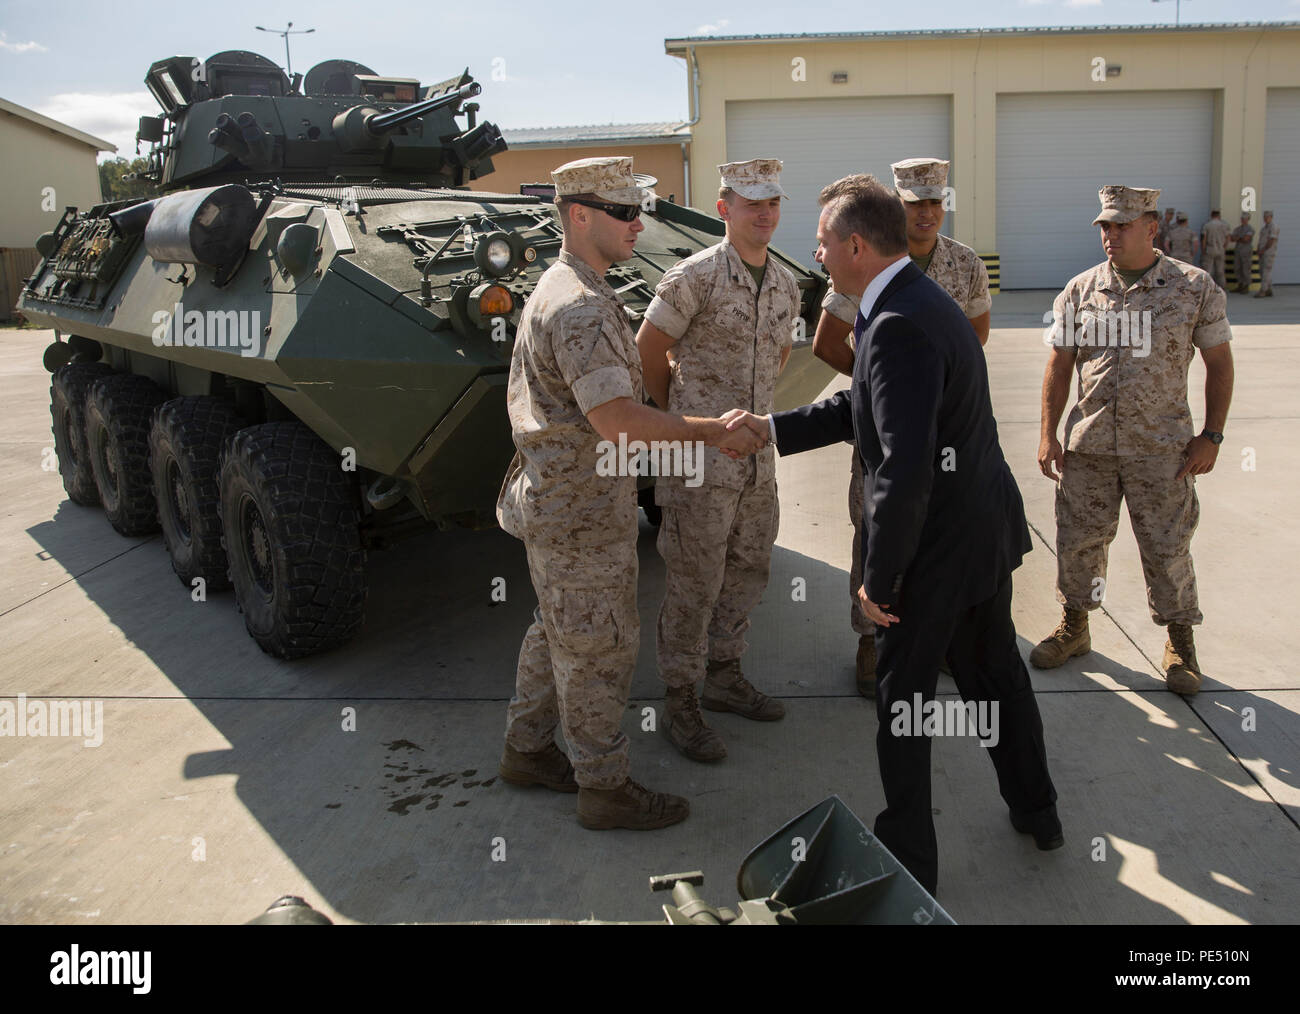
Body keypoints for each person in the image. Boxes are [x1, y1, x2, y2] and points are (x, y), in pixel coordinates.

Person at [725, 174, 1059, 896]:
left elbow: (904, 467)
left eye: (819, 241)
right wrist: (772, 429)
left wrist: (881, 576)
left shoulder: (899, 320)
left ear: (853, 245)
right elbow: (866, 407)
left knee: (903, 704)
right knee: (993, 675)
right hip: (977, 532)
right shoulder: (909, 301)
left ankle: (911, 865)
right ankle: (1040, 812)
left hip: (935, 547)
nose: (813, 253)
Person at [495, 155, 765, 831]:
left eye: (640, 209)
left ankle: (526, 749)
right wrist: (713, 432)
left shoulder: (562, 285)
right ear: (578, 215)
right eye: (623, 212)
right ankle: (603, 787)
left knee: (556, 631)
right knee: (601, 649)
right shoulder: (581, 306)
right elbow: (617, 422)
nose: (637, 224)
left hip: (559, 503)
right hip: (581, 515)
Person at [1032, 186, 1234, 697]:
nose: (1110, 234)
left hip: (1162, 450)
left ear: (1151, 227)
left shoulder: (1193, 287)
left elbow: (1219, 365)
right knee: (1079, 543)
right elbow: (1059, 367)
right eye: (1104, 225)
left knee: (1167, 548)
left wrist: (1211, 435)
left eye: (1121, 225)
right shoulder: (1080, 289)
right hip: (1090, 446)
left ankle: (1180, 643)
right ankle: (1074, 626)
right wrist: (1048, 434)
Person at [810, 158, 991, 698]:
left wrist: (931, 388)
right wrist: (884, 392)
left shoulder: (964, 264)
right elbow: (826, 341)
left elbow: (974, 338)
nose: (928, 213)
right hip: (886, 441)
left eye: (936, 202)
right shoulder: (864, 256)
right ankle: (871, 642)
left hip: (948, 441)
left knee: (939, 538)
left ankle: (936, 640)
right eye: (915, 204)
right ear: (896, 208)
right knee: (876, 533)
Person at [635, 159, 796, 762]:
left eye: (773, 202)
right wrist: (679, 420)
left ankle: (725, 676)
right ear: (723, 208)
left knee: (749, 567)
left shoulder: (781, 283)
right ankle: (681, 701)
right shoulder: (694, 277)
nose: (765, 213)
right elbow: (649, 352)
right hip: (700, 463)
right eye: (752, 203)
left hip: (757, 464)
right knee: (694, 580)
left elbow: (778, 356)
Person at [1200, 210, 1231, 290]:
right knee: (1220, 271)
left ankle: (1207, 288)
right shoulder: (1224, 225)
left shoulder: (1207, 225)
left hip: (1210, 249)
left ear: (1211, 215)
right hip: (1220, 249)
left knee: (1208, 270)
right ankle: (1222, 288)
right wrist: (1224, 247)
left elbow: (1204, 239)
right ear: (1219, 215)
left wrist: (1203, 250)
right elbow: (1228, 237)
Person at [1255, 210, 1280, 298]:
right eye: (1264, 217)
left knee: (1266, 271)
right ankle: (1268, 289)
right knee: (1262, 271)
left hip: (1269, 253)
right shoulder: (1264, 228)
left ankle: (1263, 290)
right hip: (1262, 252)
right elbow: (1261, 240)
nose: (1265, 219)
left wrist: (1263, 250)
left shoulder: (1273, 227)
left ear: (1271, 217)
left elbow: (1271, 240)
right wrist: (1259, 249)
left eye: (1267, 217)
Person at [1230, 213, 1255, 292]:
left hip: (1246, 251)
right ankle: (1240, 284)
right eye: (1242, 218)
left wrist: (1238, 238)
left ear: (1248, 219)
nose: (1243, 220)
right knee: (1237, 267)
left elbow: (1246, 239)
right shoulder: (1238, 229)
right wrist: (1240, 238)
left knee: (1246, 268)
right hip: (1238, 250)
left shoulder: (1250, 229)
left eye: (1244, 219)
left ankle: (1246, 285)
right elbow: (1232, 238)